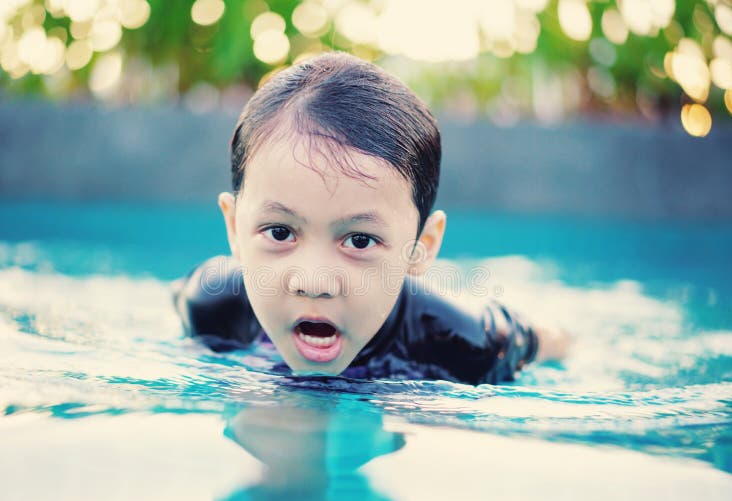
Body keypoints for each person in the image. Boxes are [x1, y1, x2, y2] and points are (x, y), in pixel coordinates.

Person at [172, 51, 570, 385]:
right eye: (280, 232)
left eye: (359, 240)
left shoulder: (466, 343)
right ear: (234, 229)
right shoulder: (212, 305)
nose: (315, 282)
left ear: (421, 248)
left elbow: (554, 344)